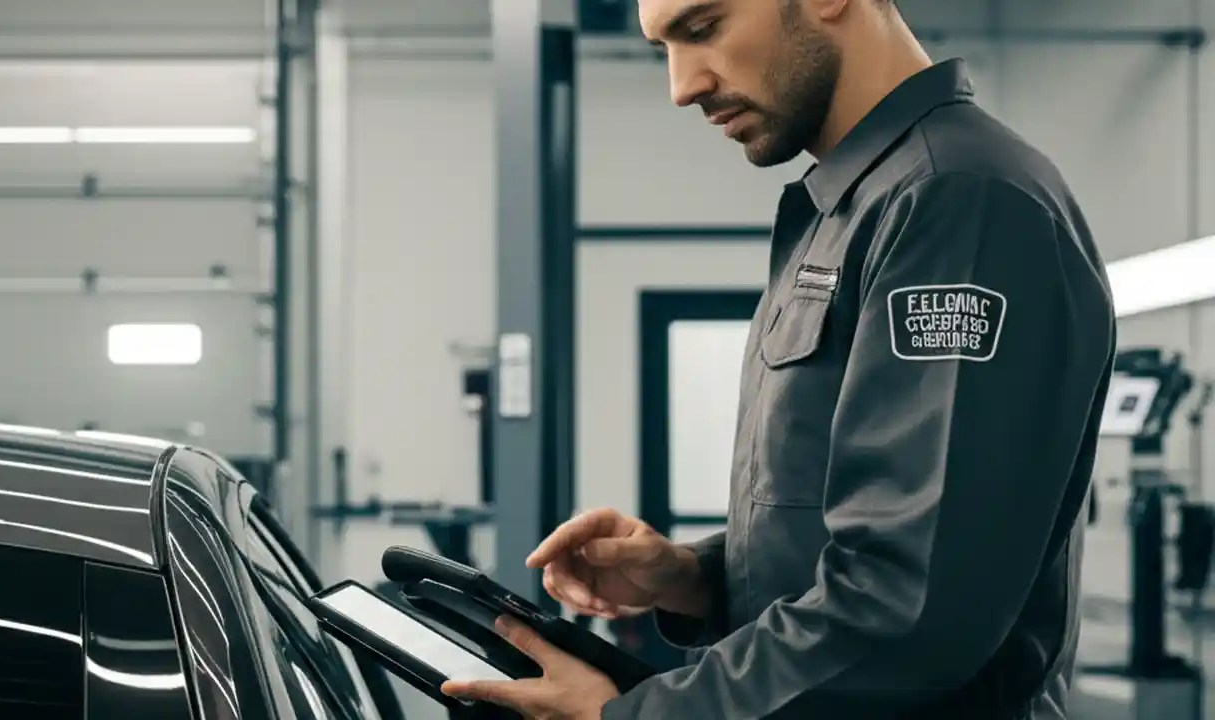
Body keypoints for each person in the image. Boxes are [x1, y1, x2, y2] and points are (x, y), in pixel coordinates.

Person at [443, 0, 1118, 718]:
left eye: (702, 28)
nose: (682, 86)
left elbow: (908, 609)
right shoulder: (853, 207)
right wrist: (696, 578)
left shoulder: (958, 199)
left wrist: (635, 716)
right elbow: (875, 531)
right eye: (664, 48)